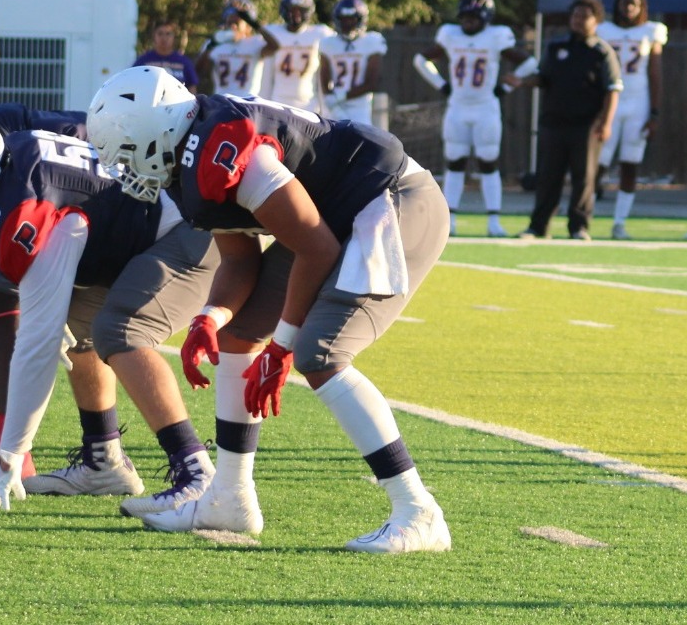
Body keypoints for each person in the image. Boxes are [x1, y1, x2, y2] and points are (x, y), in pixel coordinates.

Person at [86, 66, 453, 552]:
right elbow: (239, 261)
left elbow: (316, 248)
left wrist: (281, 346)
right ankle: (229, 497)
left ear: (157, 132)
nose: (126, 170)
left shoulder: (228, 150)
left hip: (389, 201)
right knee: (237, 337)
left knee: (318, 352)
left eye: (127, 154)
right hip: (335, 217)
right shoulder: (189, 158)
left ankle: (417, 509)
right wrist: (210, 317)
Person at [0, 114, 233, 512]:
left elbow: (36, 347)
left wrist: (11, 455)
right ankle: (103, 459)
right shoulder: (9, 175)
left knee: (120, 329)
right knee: (80, 325)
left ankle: (195, 472)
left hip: (189, 235)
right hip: (144, 235)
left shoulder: (34, 205)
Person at [417, 0, 529, 239]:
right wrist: (442, 85)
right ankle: (449, 221)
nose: (468, 22)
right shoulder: (450, 34)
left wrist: (506, 87)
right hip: (458, 106)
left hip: (485, 107)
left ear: (486, 18)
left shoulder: (495, 36)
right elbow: (420, 60)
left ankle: (494, 221)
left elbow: (529, 62)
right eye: (465, 17)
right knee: (454, 163)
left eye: (473, 17)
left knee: (488, 163)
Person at [521, 0, 622, 242]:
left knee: (584, 178)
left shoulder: (601, 52)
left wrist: (606, 122)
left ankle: (579, 227)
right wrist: (525, 80)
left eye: (584, 16)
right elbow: (543, 77)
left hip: (586, 125)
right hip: (553, 121)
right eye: (575, 15)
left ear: (596, 21)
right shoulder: (556, 47)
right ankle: (539, 226)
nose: (578, 21)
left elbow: (613, 89)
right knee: (548, 175)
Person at [594, 0, 667, 240]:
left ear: (641, 7)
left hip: (638, 102)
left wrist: (655, 112)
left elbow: (655, 73)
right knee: (598, 162)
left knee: (630, 164)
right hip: (610, 100)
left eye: (633, 4)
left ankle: (619, 222)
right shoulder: (603, 30)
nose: (628, 8)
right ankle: (584, 217)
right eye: (625, 3)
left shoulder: (650, 31)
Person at [317, 0, 385, 125]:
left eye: (352, 19)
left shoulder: (371, 41)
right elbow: (324, 76)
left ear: (361, 20)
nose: (347, 24)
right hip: (333, 108)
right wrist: (331, 100)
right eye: (344, 20)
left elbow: (373, 82)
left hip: (360, 109)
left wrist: (342, 96)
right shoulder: (329, 43)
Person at [262, 0, 327, 110]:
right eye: (292, 10)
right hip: (277, 101)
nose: (296, 14)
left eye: (300, 10)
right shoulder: (273, 32)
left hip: (308, 103)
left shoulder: (320, 34)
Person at [197, 0, 273, 97]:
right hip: (222, 101)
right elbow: (199, 71)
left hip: (247, 103)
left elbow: (275, 46)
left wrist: (255, 24)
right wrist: (210, 47)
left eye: (237, 23)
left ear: (248, 26)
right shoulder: (215, 43)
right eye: (230, 22)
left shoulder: (256, 43)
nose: (233, 27)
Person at [132, 21, 200, 91]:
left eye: (168, 34)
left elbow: (192, 87)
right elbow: (132, 82)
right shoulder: (143, 61)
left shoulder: (184, 62)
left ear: (174, 37)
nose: (164, 38)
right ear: (154, 36)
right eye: (160, 34)